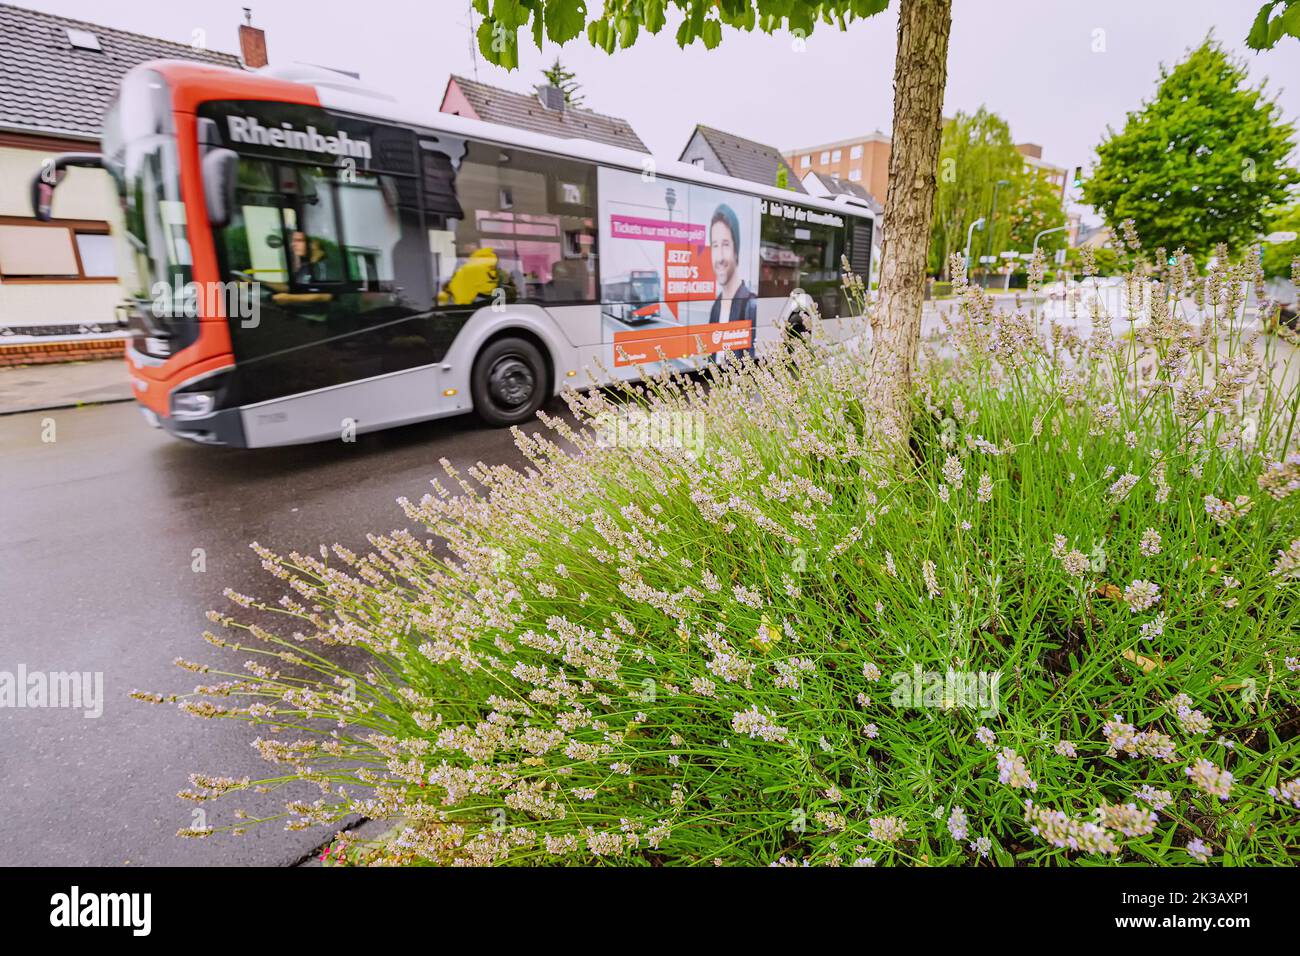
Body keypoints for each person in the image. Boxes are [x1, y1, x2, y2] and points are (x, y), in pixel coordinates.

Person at [706, 203, 755, 357]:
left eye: (725, 245)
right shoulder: (716, 306)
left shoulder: (751, 306)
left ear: (736, 250)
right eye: (715, 246)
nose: (719, 257)